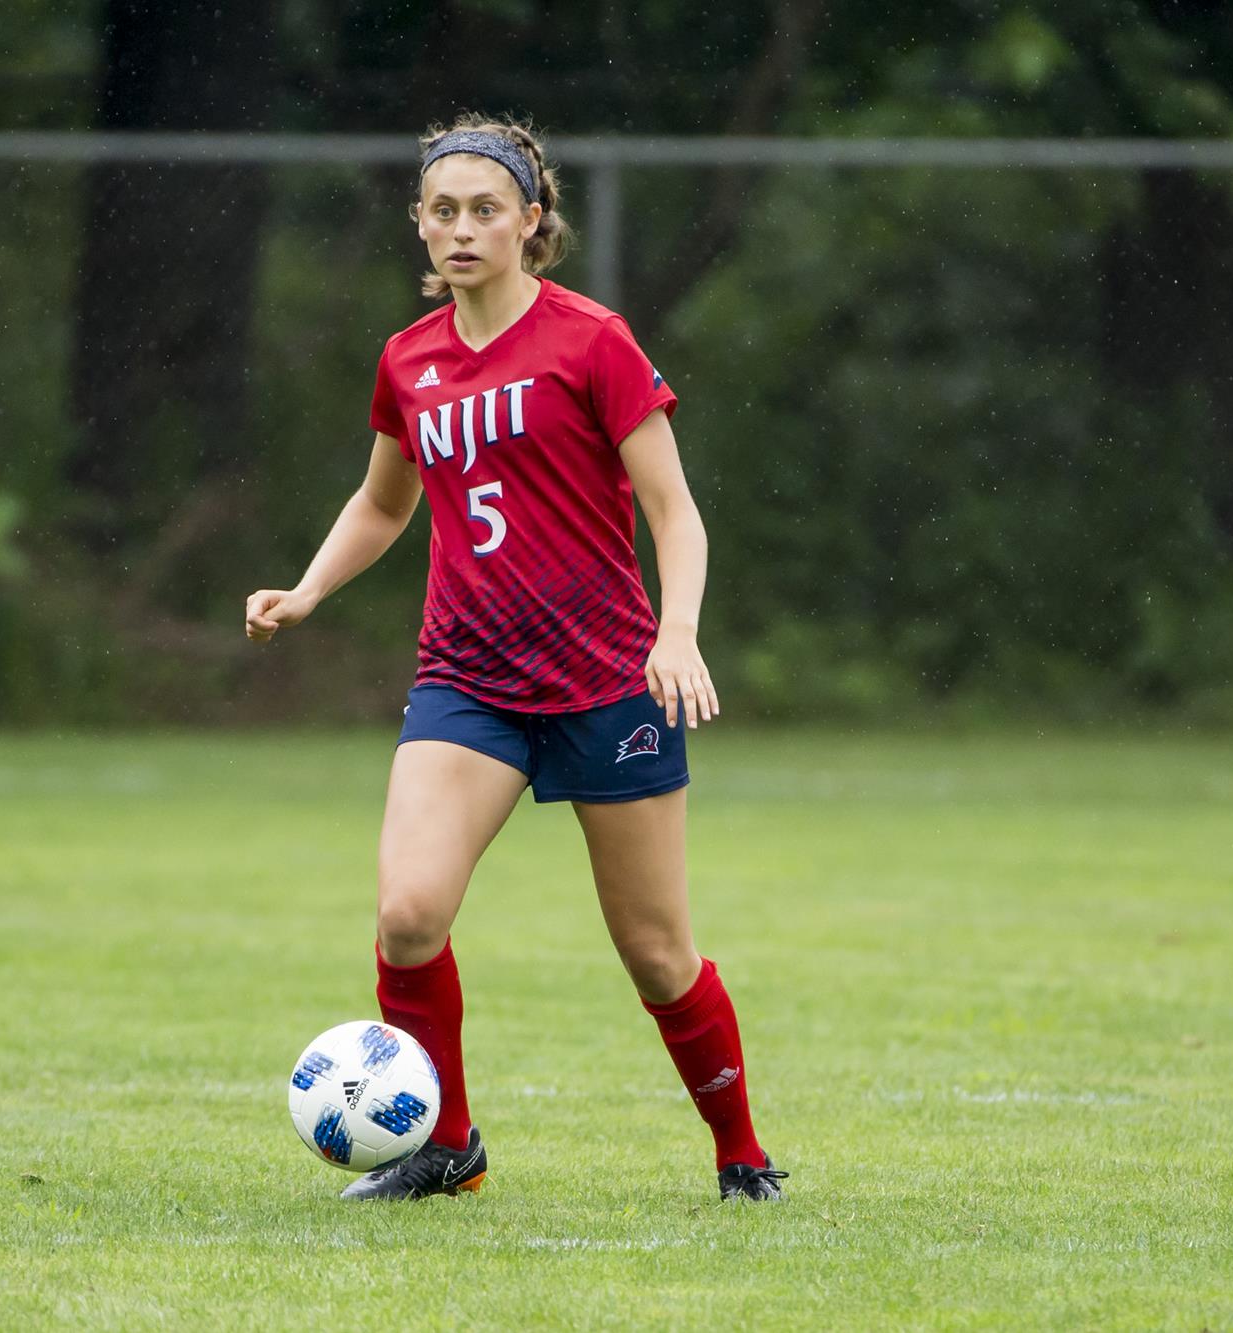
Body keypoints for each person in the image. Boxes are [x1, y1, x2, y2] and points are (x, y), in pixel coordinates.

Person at [244, 116, 786, 1203]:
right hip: (467, 679)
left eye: (484, 209)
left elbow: (673, 513)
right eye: (440, 210)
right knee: (406, 915)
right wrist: (307, 589)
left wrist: (674, 632)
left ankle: (739, 1155)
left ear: (531, 223)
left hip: (602, 683)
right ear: (418, 223)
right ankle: (445, 1146)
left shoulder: (593, 341)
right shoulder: (408, 359)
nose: (460, 228)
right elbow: (381, 501)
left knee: (654, 953)